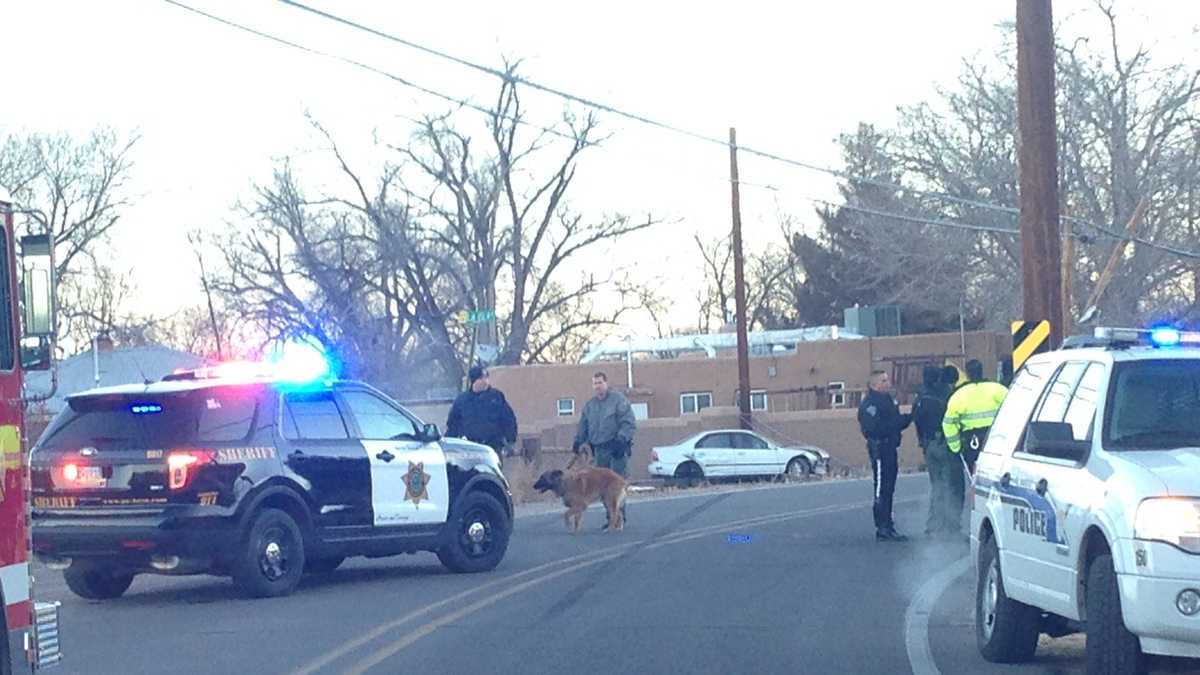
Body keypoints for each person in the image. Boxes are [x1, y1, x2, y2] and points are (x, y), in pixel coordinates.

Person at [573, 371, 637, 528]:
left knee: (616, 485)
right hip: (600, 450)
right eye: (595, 383)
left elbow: (628, 422)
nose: (598, 386)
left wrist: (621, 440)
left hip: (617, 449)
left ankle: (619, 518)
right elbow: (584, 426)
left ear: (606, 383)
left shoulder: (618, 401)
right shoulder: (590, 405)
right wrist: (577, 442)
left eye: (600, 382)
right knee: (601, 487)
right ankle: (610, 518)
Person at [857, 370, 912, 542]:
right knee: (881, 489)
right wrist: (896, 423)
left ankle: (889, 525)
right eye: (883, 380)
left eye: (887, 380)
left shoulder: (888, 400)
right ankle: (882, 527)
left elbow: (895, 422)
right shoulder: (869, 405)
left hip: (891, 448)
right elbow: (874, 428)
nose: (888, 383)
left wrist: (909, 417)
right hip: (879, 449)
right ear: (874, 385)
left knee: (889, 488)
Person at [913, 366, 961, 537]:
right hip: (944, 443)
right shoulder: (945, 396)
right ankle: (950, 526)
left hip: (928, 443)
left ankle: (933, 525)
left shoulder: (920, 397)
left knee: (937, 486)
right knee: (950, 485)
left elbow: (916, 420)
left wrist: (922, 442)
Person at [942, 359, 1008, 476]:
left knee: (975, 476)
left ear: (967, 374)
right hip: (996, 439)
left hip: (972, 442)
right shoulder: (998, 390)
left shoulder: (958, 396)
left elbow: (948, 424)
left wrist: (956, 447)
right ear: (982, 371)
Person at [445, 365, 518, 457]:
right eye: (482, 378)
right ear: (474, 380)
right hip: (470, 448)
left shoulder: (496, 397)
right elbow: (453, 425)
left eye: (487, 377)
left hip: (493, 447)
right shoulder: (462, 401)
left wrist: (510, 441)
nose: (485, 381)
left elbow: (508, 419)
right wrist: (448, 444)